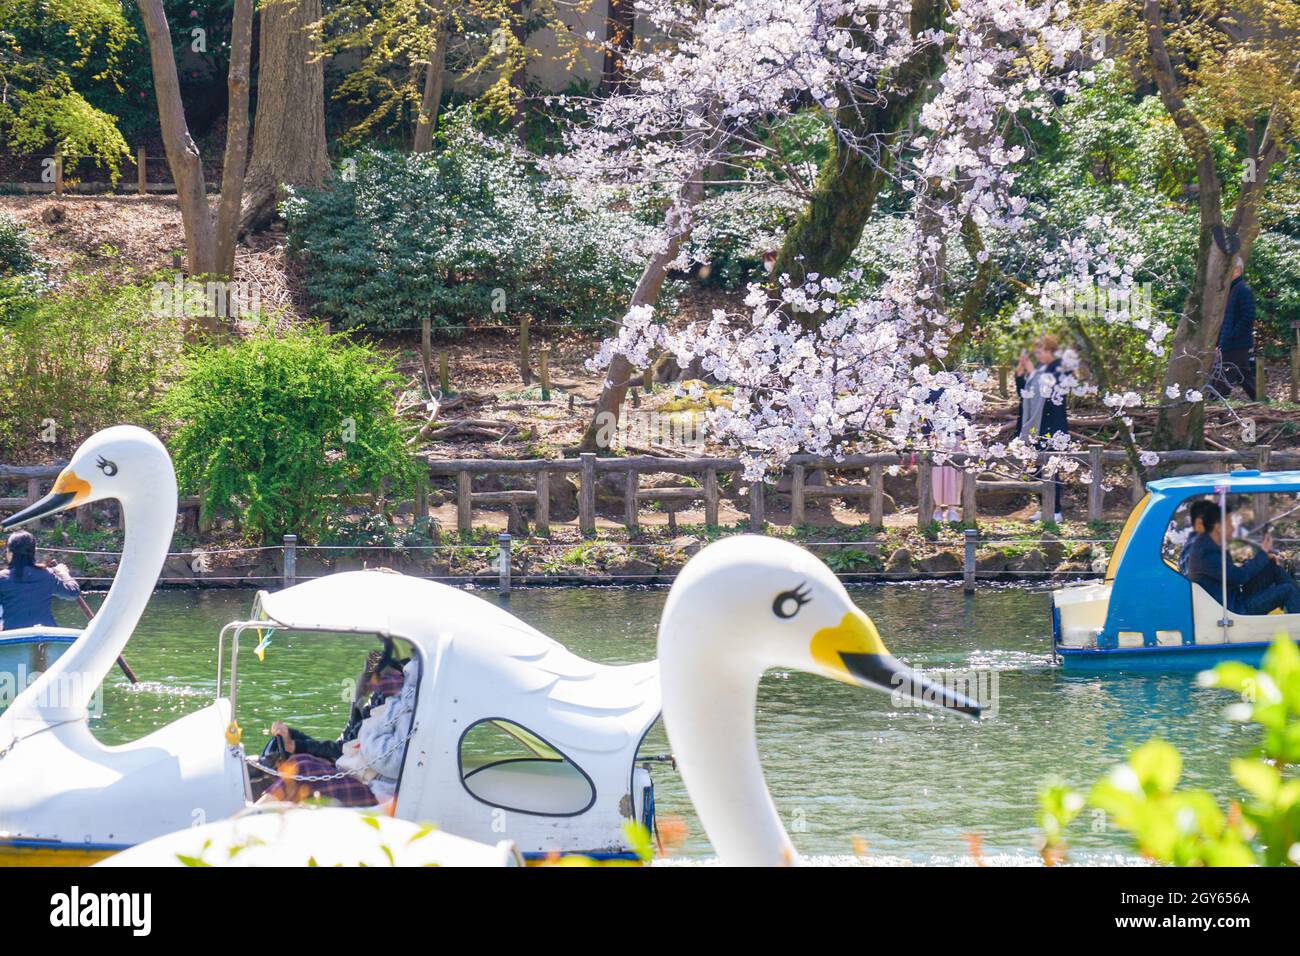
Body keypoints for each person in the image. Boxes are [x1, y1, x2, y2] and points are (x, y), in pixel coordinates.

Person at [259, 651, 414, 807]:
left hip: (376, 790)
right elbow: (345, 743)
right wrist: (294, 743)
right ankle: (263, 817)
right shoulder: (374, 703)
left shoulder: (403, 704)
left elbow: (391, 761)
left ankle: (251, 818)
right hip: (353, 769)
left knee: (301, 768)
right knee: (287, 761)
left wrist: (369, 730)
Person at [1184, 501, 1300, 615]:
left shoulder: (1209, 546)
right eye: (1229, 524)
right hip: (1235, 609)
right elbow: (1240, 576)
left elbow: (1233, 573)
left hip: (1235, 599)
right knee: (1288, 590)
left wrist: (1265, 559)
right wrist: (1263, 553)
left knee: (1272, 567)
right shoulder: (1205, 552)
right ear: (1218, 527)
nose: (1233, 529)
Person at [1015, 334, 1070, 523]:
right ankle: (1043, 506)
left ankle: (1055, 510)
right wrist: (1021, 375)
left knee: (1051, 467)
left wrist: (1034, 374)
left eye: (1040, 352)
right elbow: (1026, 395)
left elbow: (1050, 392)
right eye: (1036, 352)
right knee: (1033, 468)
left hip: (1052, 426)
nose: (1037, 356)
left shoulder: (1061, 368)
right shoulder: (1041, 369)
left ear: (1050, 351)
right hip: (1035, 427)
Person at [0, 531, 81, 630]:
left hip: (13, 636)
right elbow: (73, 593)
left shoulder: (2, 578)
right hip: (47, 634)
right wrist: (63, 573)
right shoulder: (48, 574)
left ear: (10, 553)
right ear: (34, 551)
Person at [1208, 256, 1257, 401]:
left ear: (1237, 270)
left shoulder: (1243, 289)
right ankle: (1261, 400)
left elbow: (1248, 316)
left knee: (1223, 377)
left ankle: (1215, 404)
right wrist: (1220, 342)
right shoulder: (1231, 289)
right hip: (1230, 342)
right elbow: (1226, 319)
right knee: (1244, 377)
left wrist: (1232, 335)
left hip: (1236, 343)